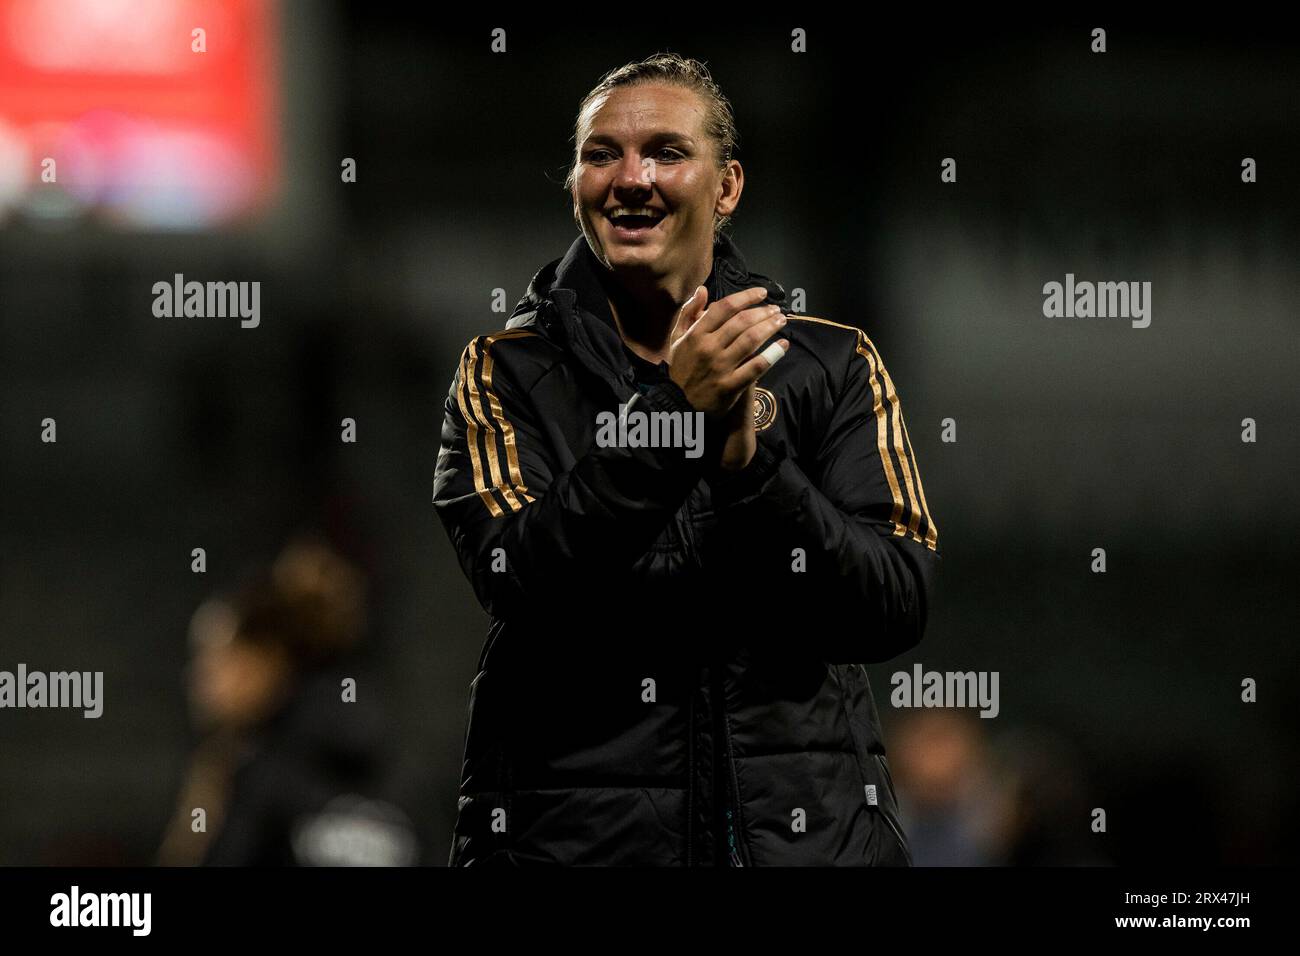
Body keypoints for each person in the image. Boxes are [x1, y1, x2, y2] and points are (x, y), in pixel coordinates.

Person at [432, 53, 940, 866]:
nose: (631, 178)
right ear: (574, 183)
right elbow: (515, 576)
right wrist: (675, 416)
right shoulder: (503, 372)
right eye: (602, 154)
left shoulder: (831, 363)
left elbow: (894, 603)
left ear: (727, 186)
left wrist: (751, 473)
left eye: (667, 152)